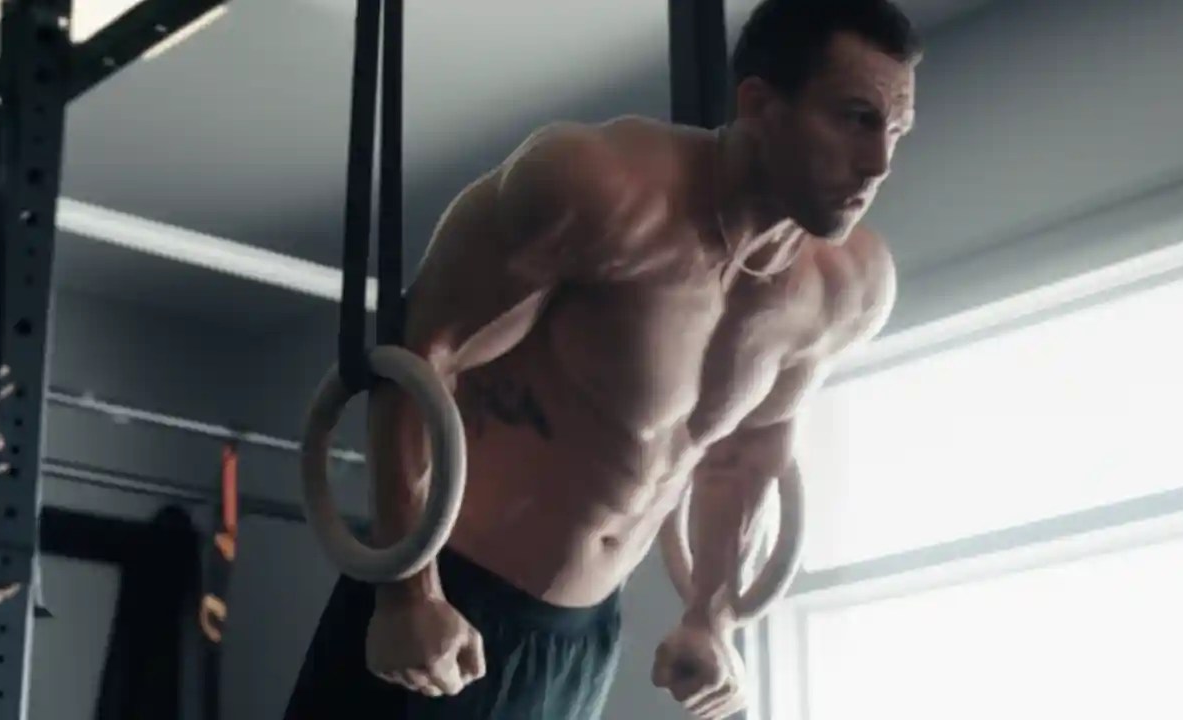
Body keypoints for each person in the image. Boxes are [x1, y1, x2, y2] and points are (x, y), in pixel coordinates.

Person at [284, 1, 920, 718]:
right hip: (447, 600)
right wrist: (407, 592)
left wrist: (712, 613)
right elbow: (419, 360)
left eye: (897, 130)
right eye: (857, 120)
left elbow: (747, 455)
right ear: (760, 105)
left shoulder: (848, 288)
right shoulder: (597, 190)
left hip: (583, 641)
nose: (880, 163)